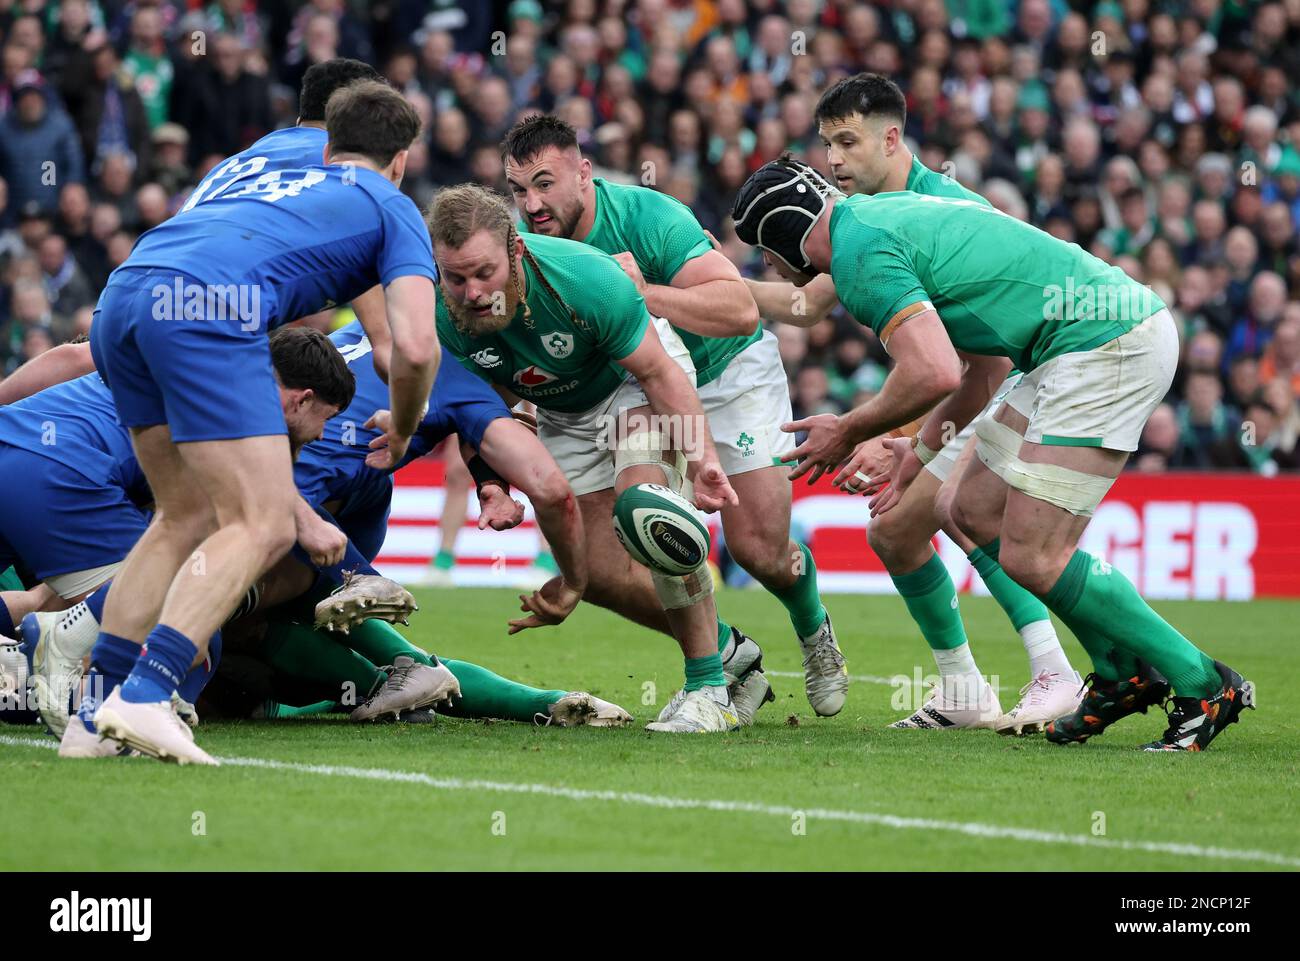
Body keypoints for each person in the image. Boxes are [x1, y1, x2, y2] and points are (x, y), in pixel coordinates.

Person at [732, 154, 1255, 752]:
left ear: (782, 229)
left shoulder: (857, 256)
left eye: (765, 249)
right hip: (1067, 341)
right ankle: (1121, 674)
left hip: (1101, 342)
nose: (770, 265)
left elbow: (930, 371)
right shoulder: (876, 220)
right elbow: (979, 369)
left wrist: (849, 429)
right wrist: (920, 451)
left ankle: (1204, 682)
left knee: (1034, 554)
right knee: (969, 508)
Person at [84, 79, 439, 765]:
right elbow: (413, 348)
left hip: (124, 292)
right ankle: (148, 693)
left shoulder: (255, 159)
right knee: (267, 520)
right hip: (209, 309)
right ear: (401, 161)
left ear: (327, 146)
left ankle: (91, 713)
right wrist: (403, 422)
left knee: (181, 515)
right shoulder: (392, 206)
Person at [741, 75, 1082, 733]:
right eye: (826, 145)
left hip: (1008, 378)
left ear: (891, 138)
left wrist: (895, 434)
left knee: (960, 512)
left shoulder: (941, 203)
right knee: (899, 530)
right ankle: (968, 690)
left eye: (847, 142)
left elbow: (972, 355)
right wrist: (703, 283)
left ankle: (1054, 670)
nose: (833, 161)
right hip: (968, 384)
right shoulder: (858, 216)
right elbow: (809, 304)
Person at [501, 113, 847, 719]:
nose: (531, 204)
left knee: (760, 551)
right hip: (639, 387)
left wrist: (640, 295)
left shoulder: (648, 218)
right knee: (624, 541)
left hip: (728, 374)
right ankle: (714, 668)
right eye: (519, 191)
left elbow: (739, 311)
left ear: (584, 173)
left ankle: (812, 627)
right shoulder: (526, 251)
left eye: (544, 183)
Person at [427, 183, 750, 734]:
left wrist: (703, 459)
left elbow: (659, 373)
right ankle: (733, 655)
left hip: (633, 381)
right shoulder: (440, 315)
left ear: (516, 250)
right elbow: (479, 411)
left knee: (647, 512)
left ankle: (708, 689)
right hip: (560, 410)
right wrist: (491, 484)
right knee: (597, 574)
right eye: (455, 278)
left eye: (484, 273)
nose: (472, 292)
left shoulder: (586, 280)